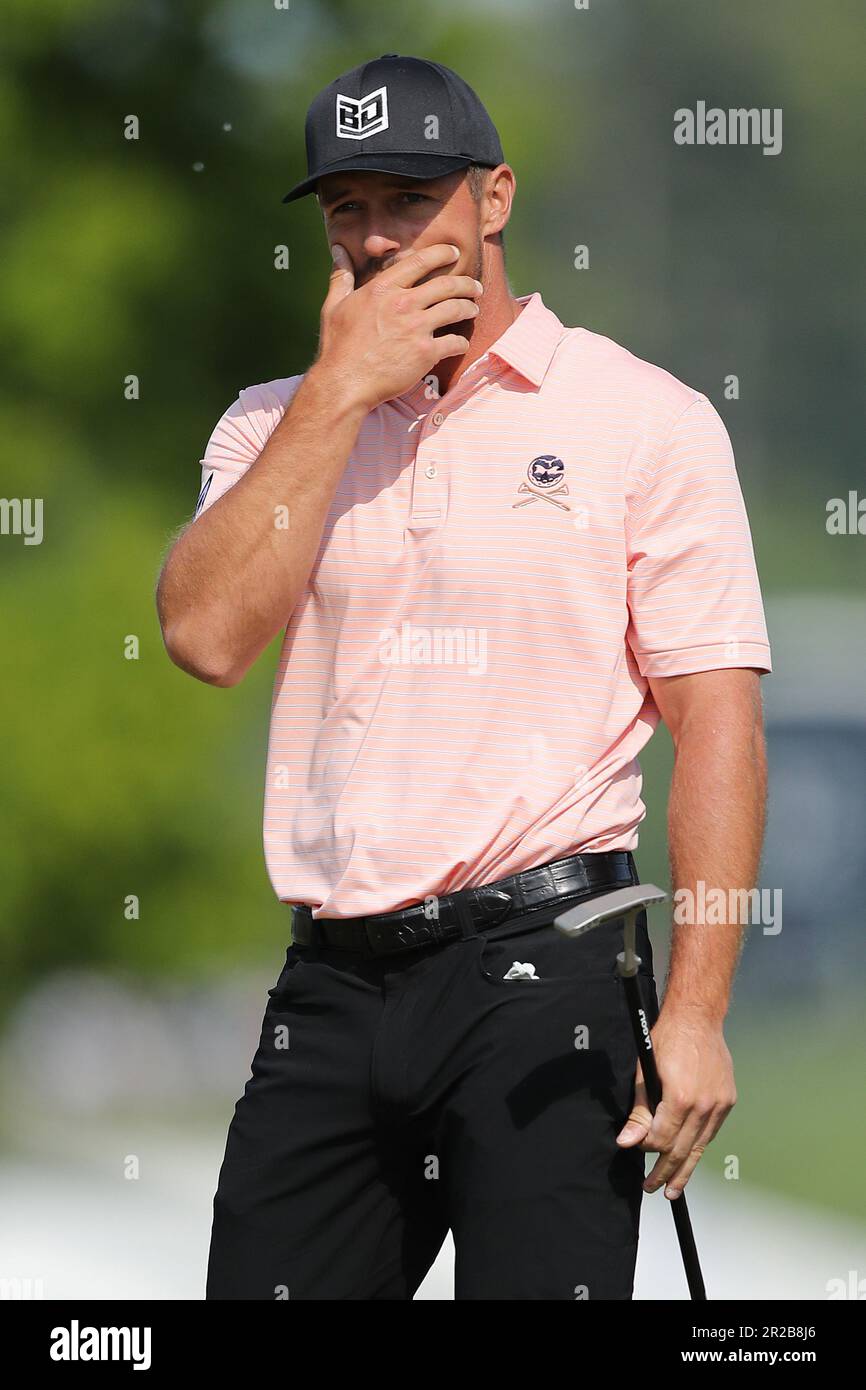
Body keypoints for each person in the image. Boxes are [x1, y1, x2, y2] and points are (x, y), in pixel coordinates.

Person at [156, 53, 772, 1300]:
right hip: (332, 979)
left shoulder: (639, 417)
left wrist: (696, 1009)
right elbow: (206, 637)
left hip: (546, 967)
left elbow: (716, 721)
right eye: (347, 208)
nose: (378, 237)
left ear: (492, 199)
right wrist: (339, 388)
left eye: (409, 198)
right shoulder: (269, 423)